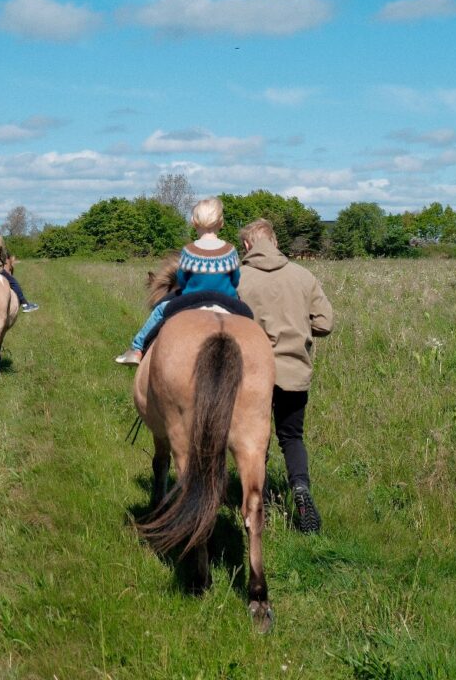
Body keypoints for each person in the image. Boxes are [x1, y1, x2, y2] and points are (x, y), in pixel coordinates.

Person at [237, 218, 333, 533]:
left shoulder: (238, 278)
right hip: (293, 370)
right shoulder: (303, 276)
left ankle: (259, 500)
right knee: (291, 437)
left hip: (251, 375)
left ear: (247, 245)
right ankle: (301, 490)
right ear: (275, 242)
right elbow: (325, 323)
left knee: (256, 440)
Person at [115, 196, 241, 366]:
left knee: (160, 310)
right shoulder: (230, 250)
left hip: (192, 301)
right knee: (249, 317)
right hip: (227, 301)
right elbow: (235, 279)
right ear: (221, 223)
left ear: (194, 222)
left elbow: (182, 278)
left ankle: (136, 349)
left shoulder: (189, 251)